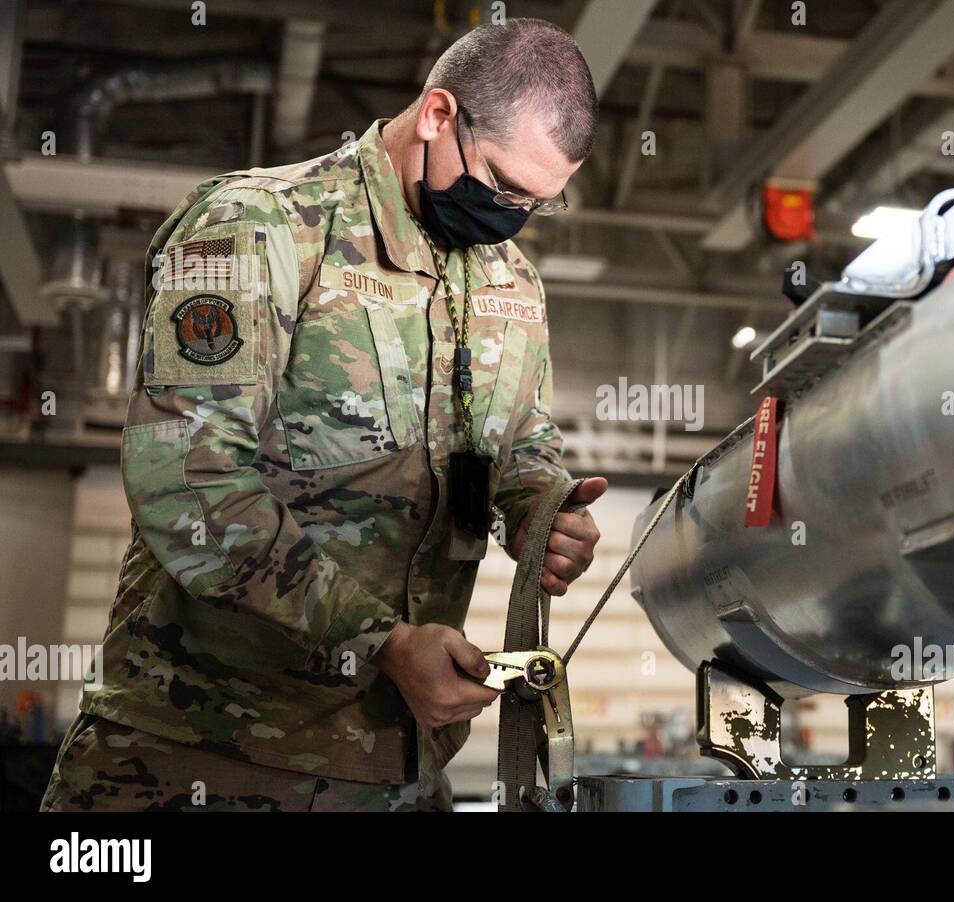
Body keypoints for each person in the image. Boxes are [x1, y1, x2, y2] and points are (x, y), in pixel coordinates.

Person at [42, 18, 604, 812]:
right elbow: (190, 481)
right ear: (440, 115)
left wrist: (542, 511)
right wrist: (382, 644)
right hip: (203, 755)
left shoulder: (511, 283)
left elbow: (516, 443)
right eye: (505, 188)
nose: (513, 218)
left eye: (539, 203)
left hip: (398, 766)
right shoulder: (259, 227)